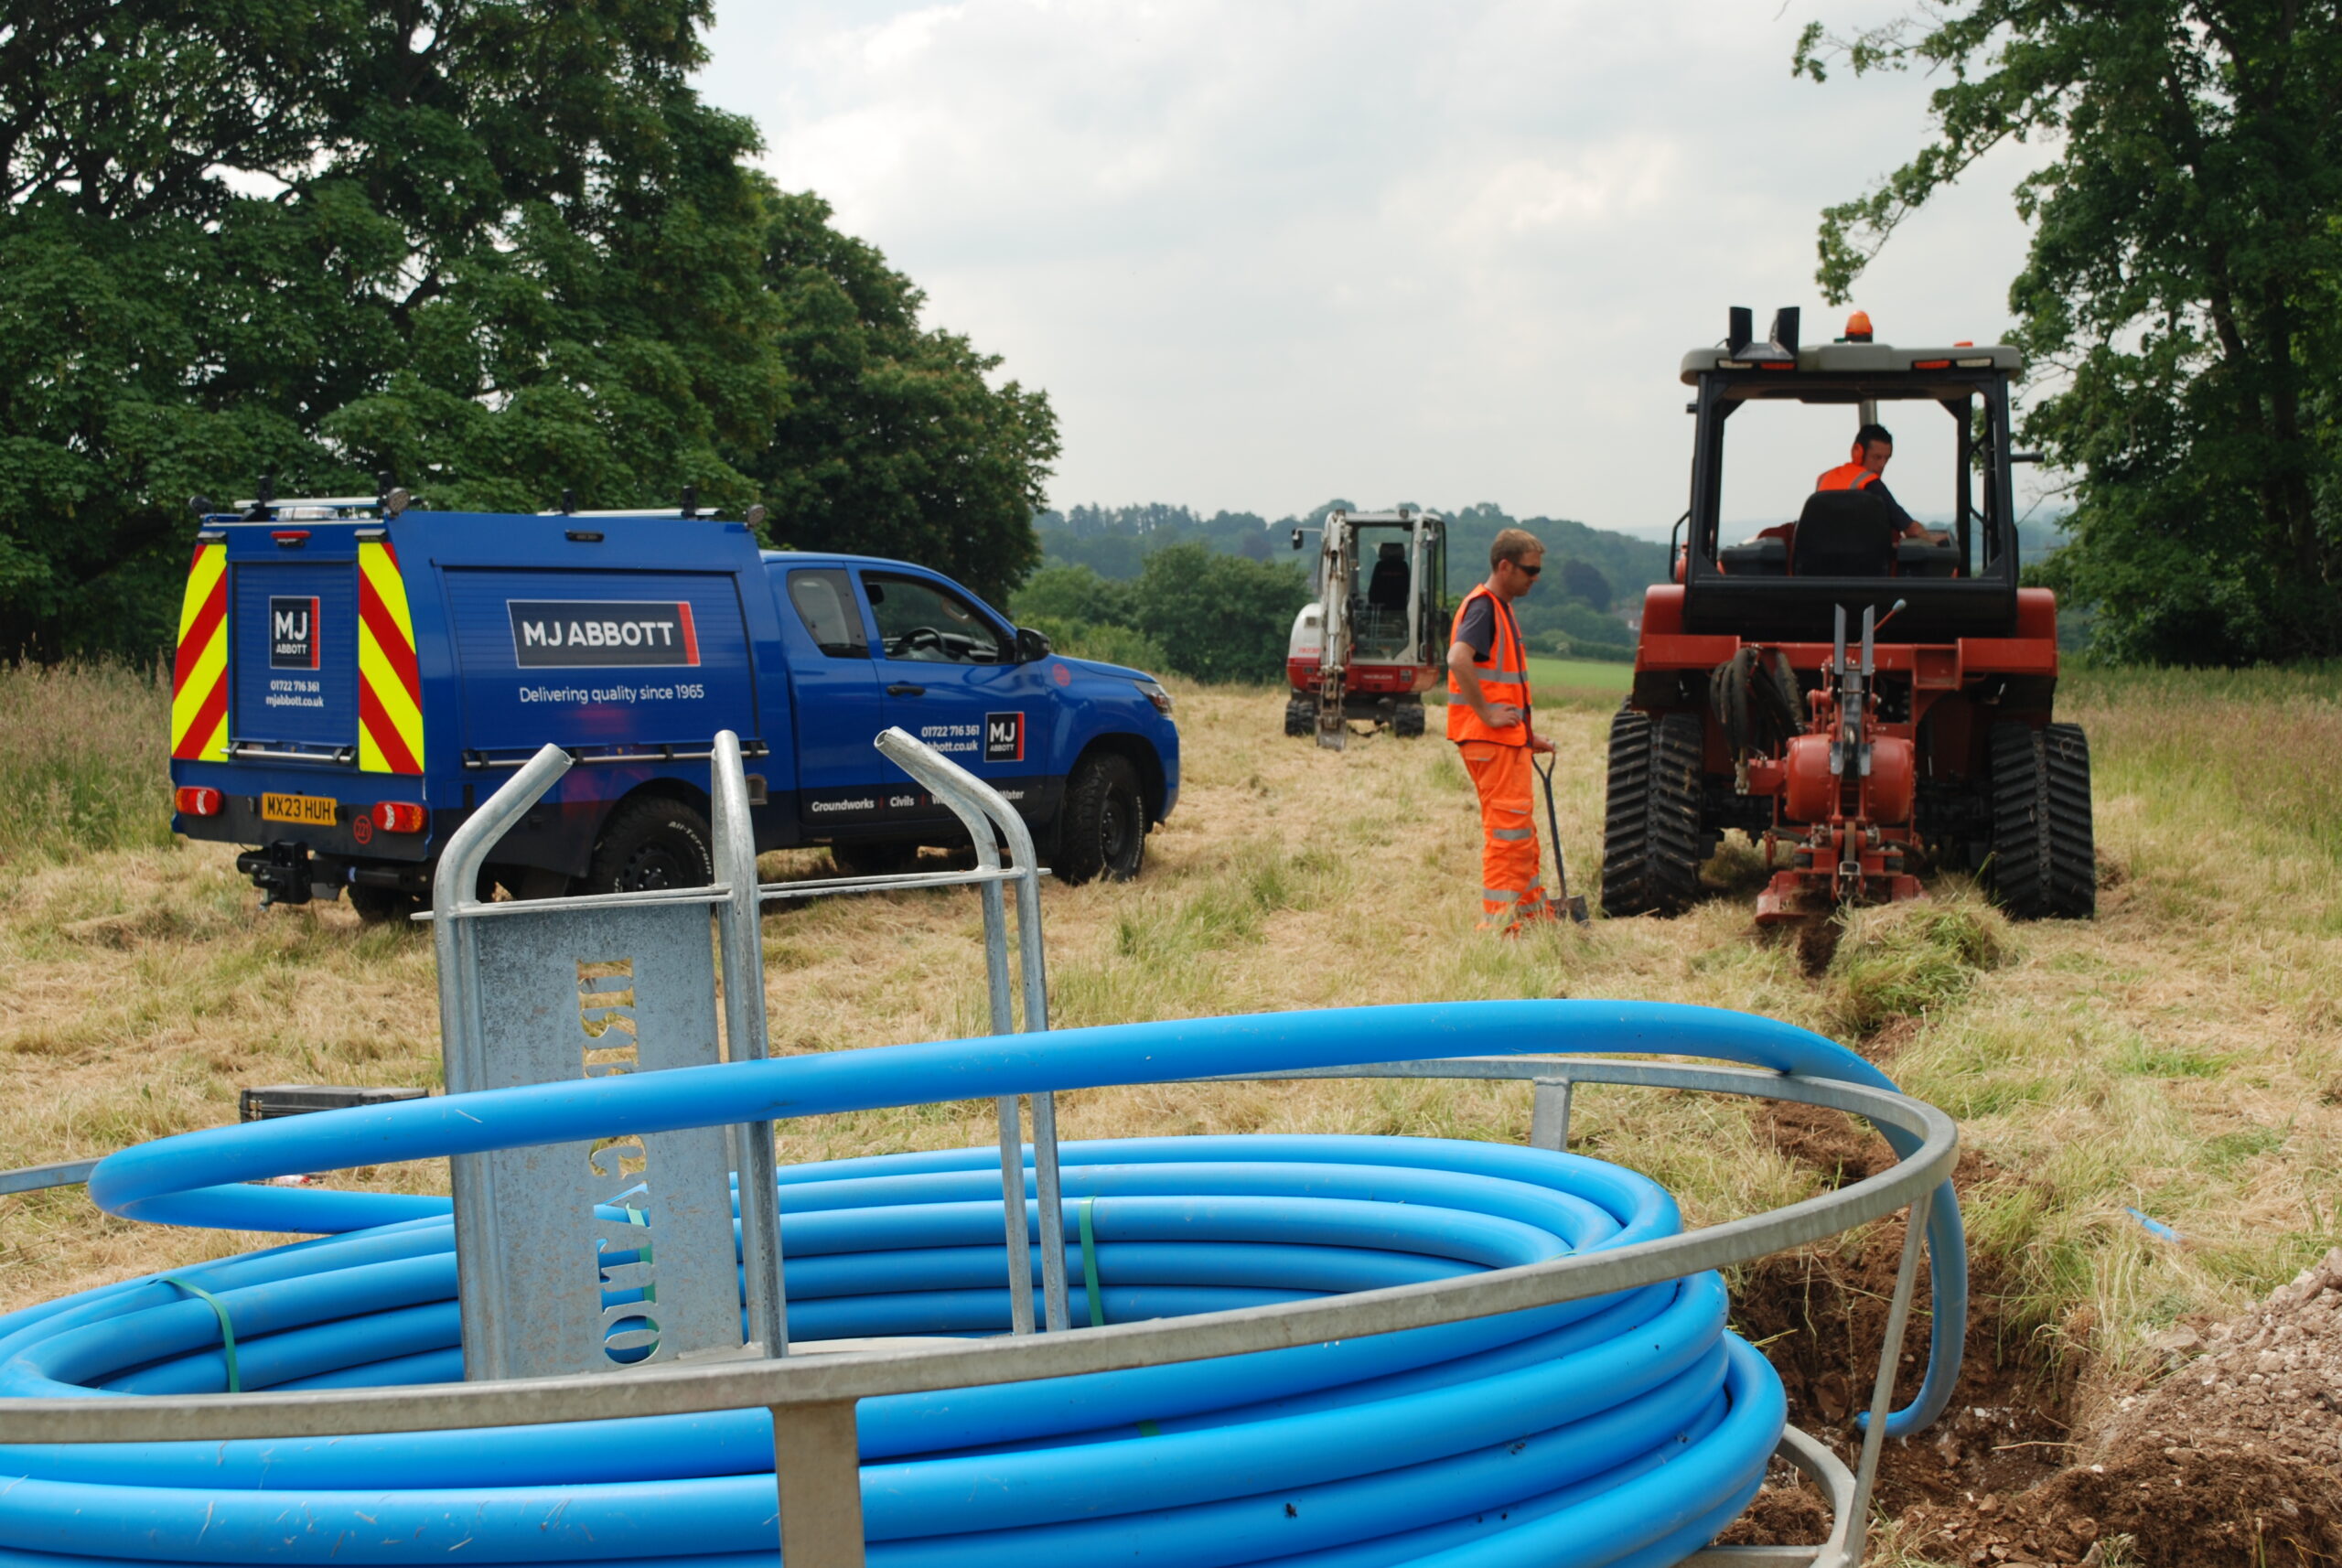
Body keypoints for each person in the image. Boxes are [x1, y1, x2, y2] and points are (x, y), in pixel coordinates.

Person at [1447, 528, 1555, 931]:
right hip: (1489, 739)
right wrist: (1489, 715)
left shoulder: (1501, 609)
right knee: (1508, 835)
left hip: (1505, 741)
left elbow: (1501, 684)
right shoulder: (1484, 607)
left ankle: (1529, 920)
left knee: (1520, 833)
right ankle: (1501, 928)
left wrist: (1528, 737)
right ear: (1504, 566)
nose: (1535, 577)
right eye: (1530, 570)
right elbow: (1458, 660)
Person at [1815, 424, 1947, 544]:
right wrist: (1933, 539)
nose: (1882, 465)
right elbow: (1911, 530)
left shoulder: (1823, 478)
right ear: (1858, 451)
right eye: (1877, 457)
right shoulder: (1869, 483)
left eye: (1886, 458)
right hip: (1862, 564)